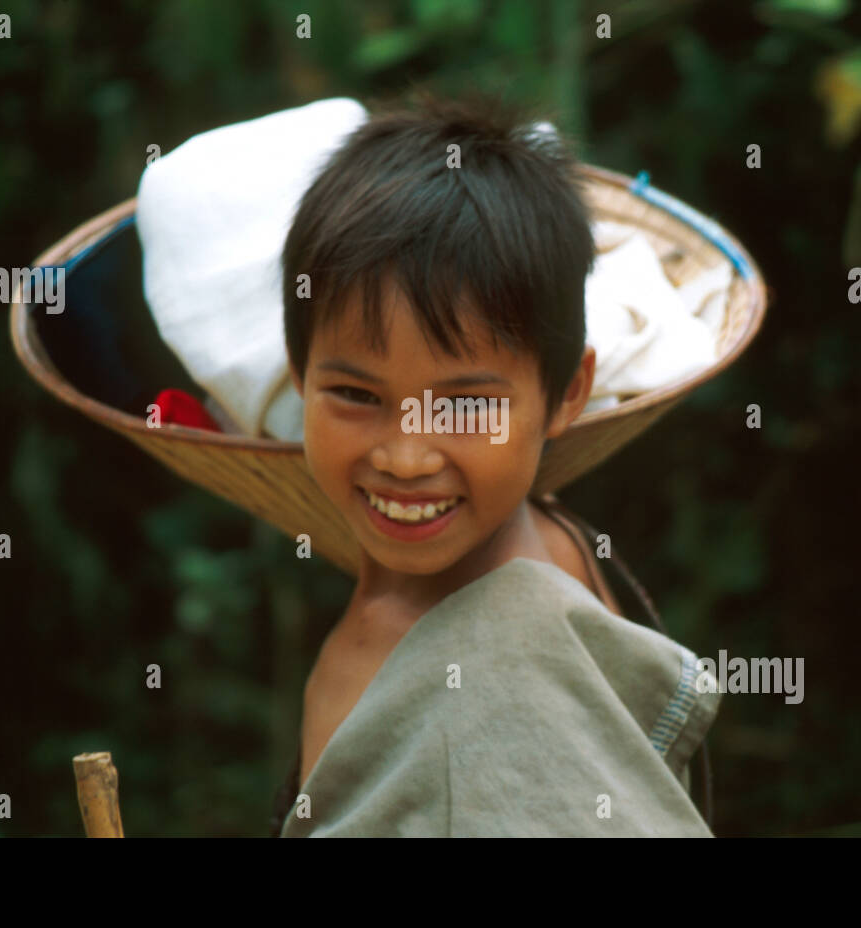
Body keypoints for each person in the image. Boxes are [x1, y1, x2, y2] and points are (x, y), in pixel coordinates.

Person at [270, 90, 721, 837]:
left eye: (466, 405)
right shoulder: (544, 532)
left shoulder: (506, 662)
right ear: (298, 376)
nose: (405, 456)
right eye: (355, 393)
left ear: (566, 393)